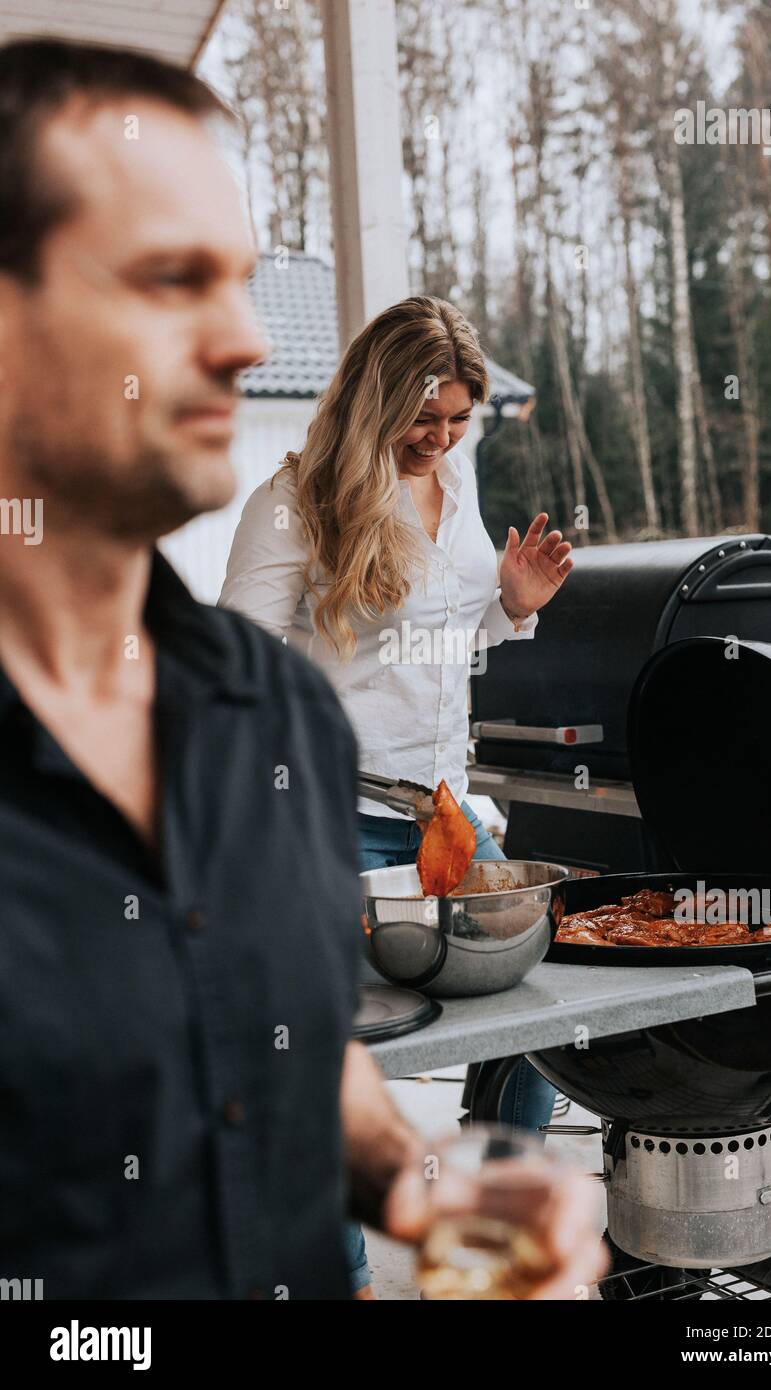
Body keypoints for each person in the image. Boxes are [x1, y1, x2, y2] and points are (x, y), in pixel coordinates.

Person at [0, 37, 605, 1300]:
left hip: (439, 806)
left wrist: (419, 1193)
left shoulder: (261, 718)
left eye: (235, 280)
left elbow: (292, 1043)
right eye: (171, 279)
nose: (235, 335)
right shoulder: (287, 531)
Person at [220, 297, 572, 1295]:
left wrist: (507, 606)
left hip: (448, 816)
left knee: (532, 1021)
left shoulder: (454, 484)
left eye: (459, 419)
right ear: (377, 399)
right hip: (330, 817)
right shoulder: (291, 505)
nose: (442, 438)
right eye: (425, 418)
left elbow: (438, 644)